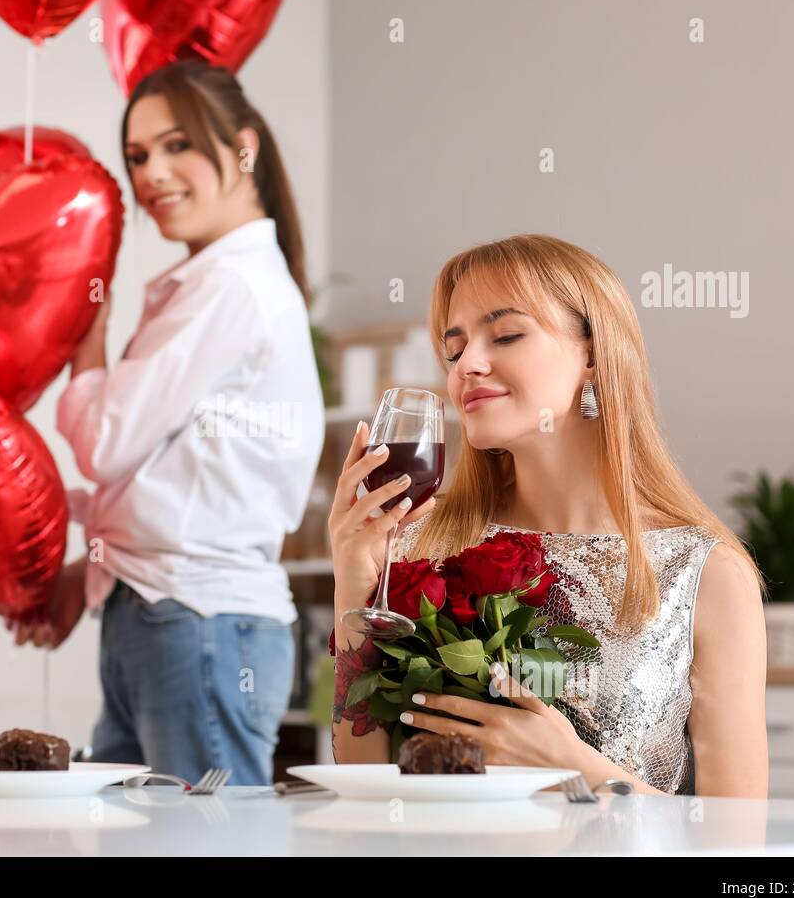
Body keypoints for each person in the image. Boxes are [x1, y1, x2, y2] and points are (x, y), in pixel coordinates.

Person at [328, 234, 769, 798]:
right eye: (455, 349)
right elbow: (367, 786)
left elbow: (738, 836)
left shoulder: (704, 573)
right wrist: (353, 583)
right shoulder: (417, 548)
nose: (469, 365)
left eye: (506, 334)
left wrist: (572, 766)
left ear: (592, 354)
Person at [15, 61, 324, 787]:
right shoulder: (215, 284)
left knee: (201, 843)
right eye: (138, 155)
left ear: (242, 149)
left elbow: (103, 441)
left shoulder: (229, 286)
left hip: (197, 623)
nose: (152, 172)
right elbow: (170, 482)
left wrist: (86, 339)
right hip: (165, 616)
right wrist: (87, 566)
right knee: (140, 837)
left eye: (177, 144)